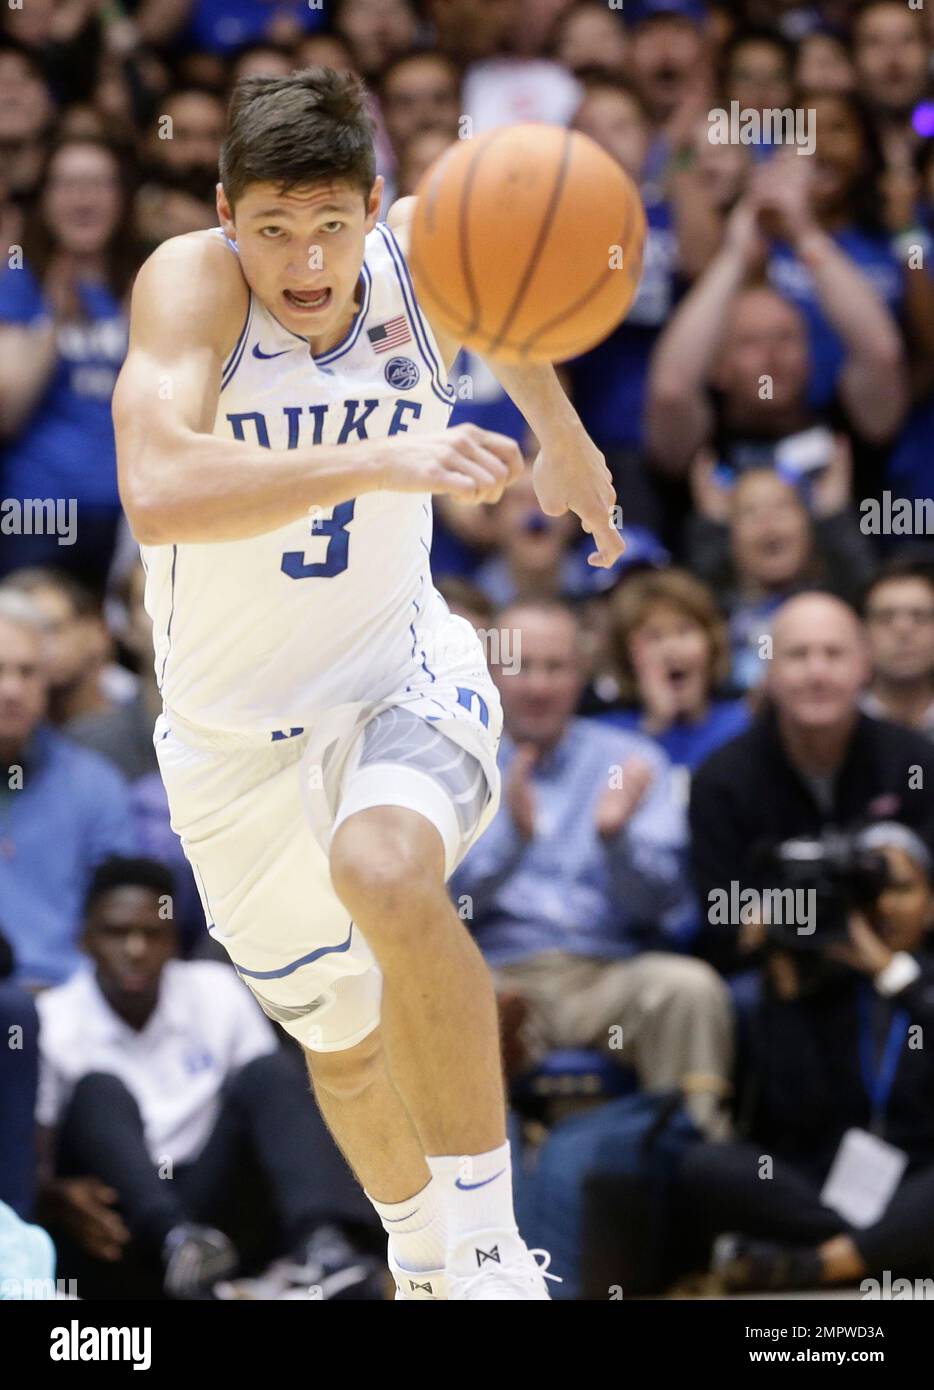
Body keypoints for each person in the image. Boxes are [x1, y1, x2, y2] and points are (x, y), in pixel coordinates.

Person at [112, 66, 624, 1301]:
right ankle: (427, 1260)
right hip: (231, 744)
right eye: (273, 228)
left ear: (374, 206)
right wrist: (384, 454)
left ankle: (496, 1252)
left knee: (384, 868)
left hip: (397, 669)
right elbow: (158, 488)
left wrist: (559, 433)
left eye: (331, 226)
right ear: (226, 212)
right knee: (340, 1052)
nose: (303, 261)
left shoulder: (420, 252)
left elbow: (498, 299)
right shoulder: (191, 284)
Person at [36, 856, 383, 1301]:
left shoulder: (217, 990)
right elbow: (39, 1161)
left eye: (152, 933)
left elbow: (276, 1107)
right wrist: (56, 1194)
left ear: (175, 939)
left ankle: (323, 1246)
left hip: (215, 1205)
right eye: (117, 933)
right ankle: (178, 1240)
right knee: (97, 1089)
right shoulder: (54, 1019)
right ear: (85, 939)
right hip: (122, 1222)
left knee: (272, 1070)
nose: (136, 949)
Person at [451, 598, 731, 1138]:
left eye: (555, 667)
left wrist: (615, 841)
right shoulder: (458, 763)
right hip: (493, 971)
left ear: (581, 675)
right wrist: (512, 845)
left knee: (689, 989)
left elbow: (665, 905)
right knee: (431, 996)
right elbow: (437, 907)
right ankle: (458, 1199)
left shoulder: (630, 761)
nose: (537, 686)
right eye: (520, 666)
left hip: (605, 974)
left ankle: (693, 1167)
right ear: (490, 672)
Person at [678, 824, 934, 1294]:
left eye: (901, 888)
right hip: (832, 1185)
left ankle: (818, 1265)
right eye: (869, 891)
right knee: (706, 1165)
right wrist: (786, 984)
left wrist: (890, 974)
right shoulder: (825, 984)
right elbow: (798, 1114)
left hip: (920, 1178)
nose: (884, 905)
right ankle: (884, 1251)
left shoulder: (924, 985)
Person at [690, 592, 934, 976]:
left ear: (864, 666)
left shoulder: (915, 762)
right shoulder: (722, 779)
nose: (817, 673)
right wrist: (779, 916)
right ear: (767, 672)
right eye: (798, 655)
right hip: (772, 971)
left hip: (895, 957)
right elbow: (719, 919)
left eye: (834, 654)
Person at [0, 590, 137, 989]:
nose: (11, 690)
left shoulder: (93, 784)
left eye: (27, 672)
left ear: (47, 681)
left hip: (67, 1009)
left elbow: (124, 910)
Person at [598, 567, 750, 777]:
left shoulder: (745, 725)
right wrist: (655, 727)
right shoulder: (605, 736)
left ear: (711, 643)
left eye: (684, 631)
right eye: (654, 637)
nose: (671, 649)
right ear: (628, 656)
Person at [861, 559, 934, 737]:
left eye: (920, 616)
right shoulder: (836, 724)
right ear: (862, 631)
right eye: (885, 617)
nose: (903, 630)